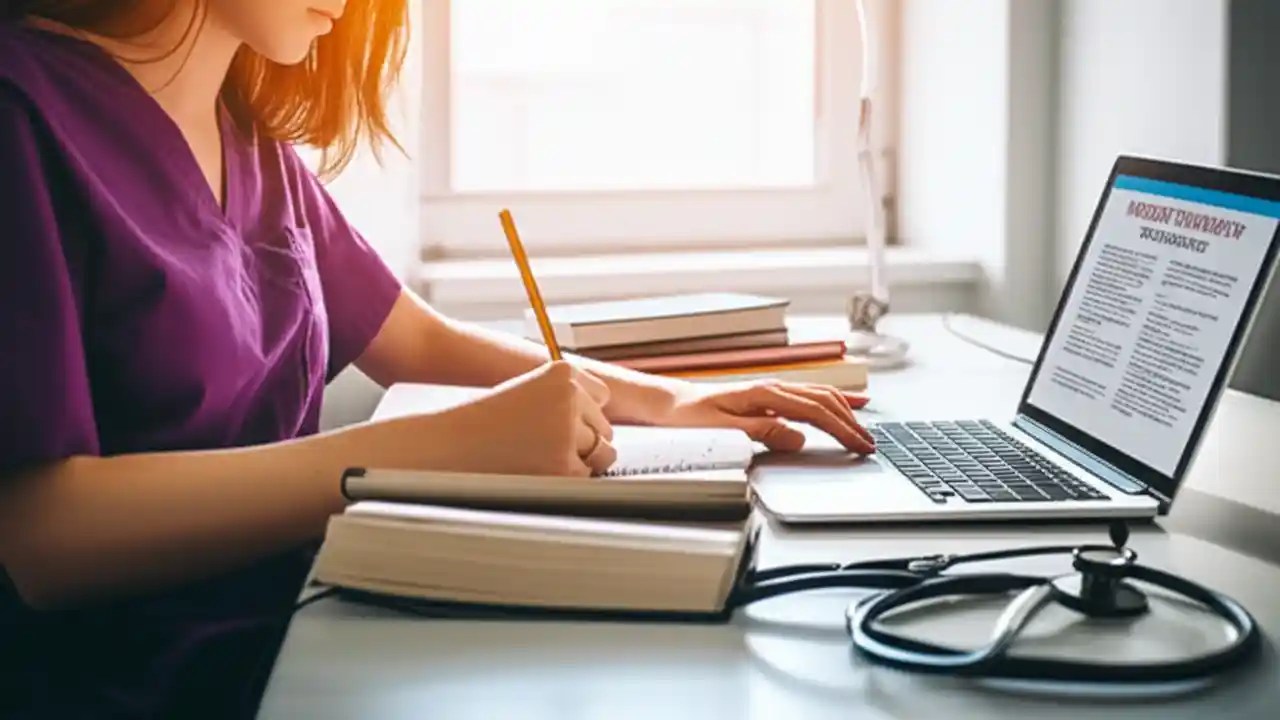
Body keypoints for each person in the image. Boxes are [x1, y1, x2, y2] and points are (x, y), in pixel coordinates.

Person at [0, 1, 876, 717]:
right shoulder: (23, 112)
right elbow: (42, 540)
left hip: (307, 630)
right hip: (145, 686)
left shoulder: (254, 144)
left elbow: (413, 338)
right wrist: (432, 450)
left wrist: (667, 403)